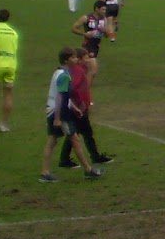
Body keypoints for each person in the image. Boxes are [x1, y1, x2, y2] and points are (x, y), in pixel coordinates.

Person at [39, 47, 101, 182]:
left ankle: (45, 172)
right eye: (73, 57)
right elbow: (60, 97)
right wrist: (57, 118)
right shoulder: (65, 76)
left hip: (55, 110)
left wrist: (73, 107)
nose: (76, 59)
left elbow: (62, 96)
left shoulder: (58, 73)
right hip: (60, 113)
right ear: (66, 60)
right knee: (74, 140)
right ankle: (88, 170)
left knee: (53, 141)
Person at [58, 47, 112, 169]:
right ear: (80, 59)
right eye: (86, 57)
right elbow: (76, 88)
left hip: (79, 106)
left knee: (77, 133)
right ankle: (94, 157)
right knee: (82, 133)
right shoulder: (78, 70)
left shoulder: (78, 69)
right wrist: (91, 73)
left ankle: (66, 159)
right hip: (78, 107)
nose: (89, 60)